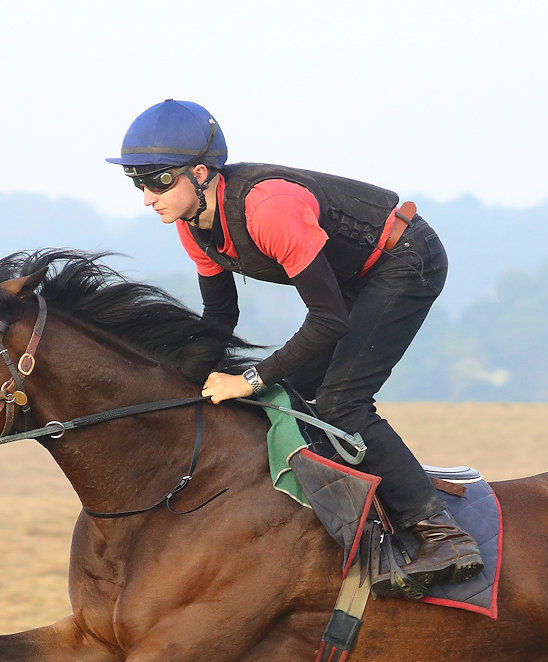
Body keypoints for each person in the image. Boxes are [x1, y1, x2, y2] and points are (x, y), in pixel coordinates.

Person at [106, 99, 482, 600]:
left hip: (404, 261)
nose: (147, 198)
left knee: (341, 403)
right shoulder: (191, 224)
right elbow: (219, 318)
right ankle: (356, 520)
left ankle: (443, 535)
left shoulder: (268, 209)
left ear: (199, 173)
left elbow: (328, 320)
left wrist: (249, 379)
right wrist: (181, 385)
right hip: (353, 279)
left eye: (157, 181)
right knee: (289, 400)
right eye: (137, 182)